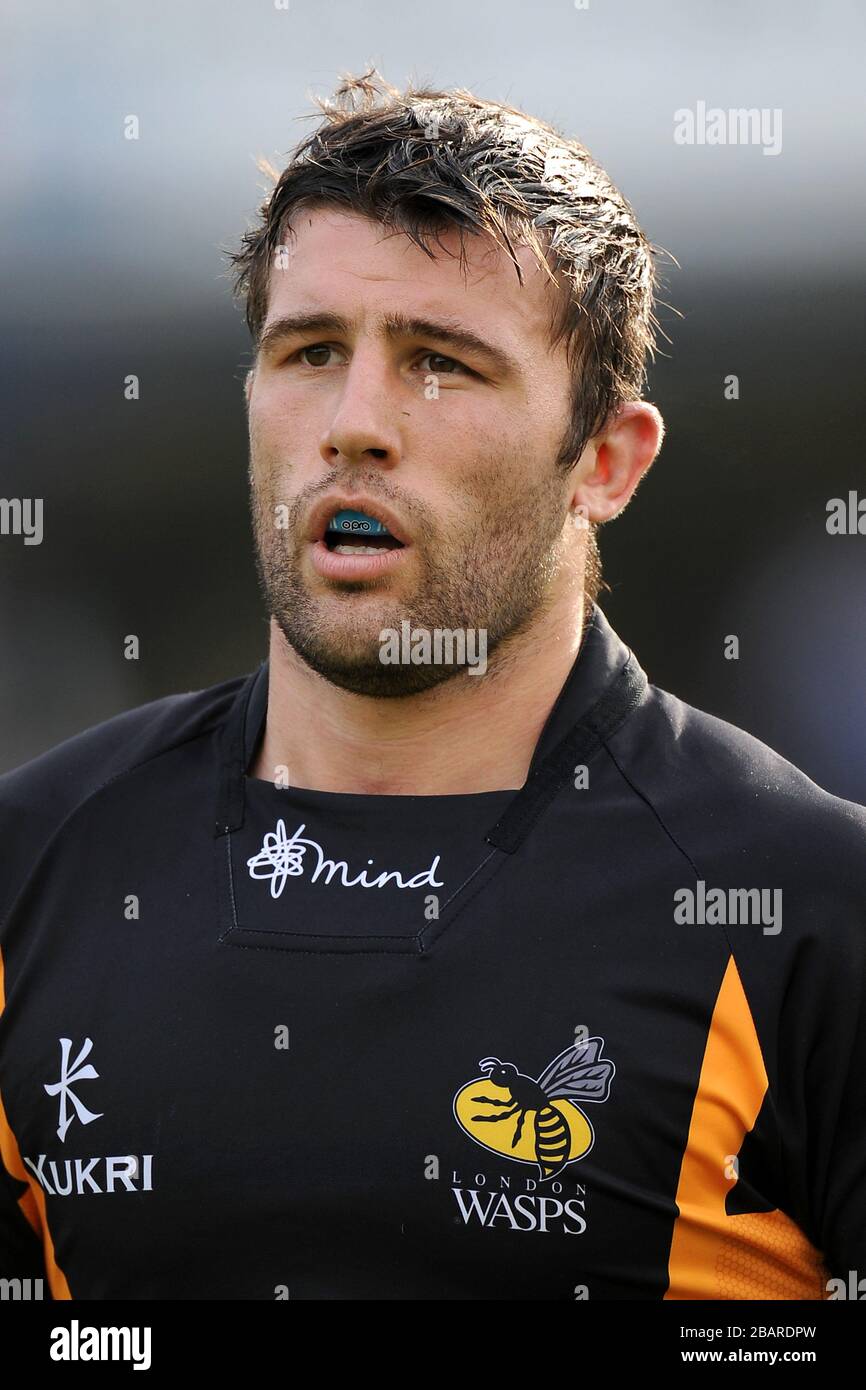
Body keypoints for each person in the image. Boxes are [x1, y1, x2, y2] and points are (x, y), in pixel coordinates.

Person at [1, 69, 864, 1302]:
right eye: (307, 351)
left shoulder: (804, 909)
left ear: (606, 461)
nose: (354, 423)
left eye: (440, 364)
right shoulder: (31, 868)